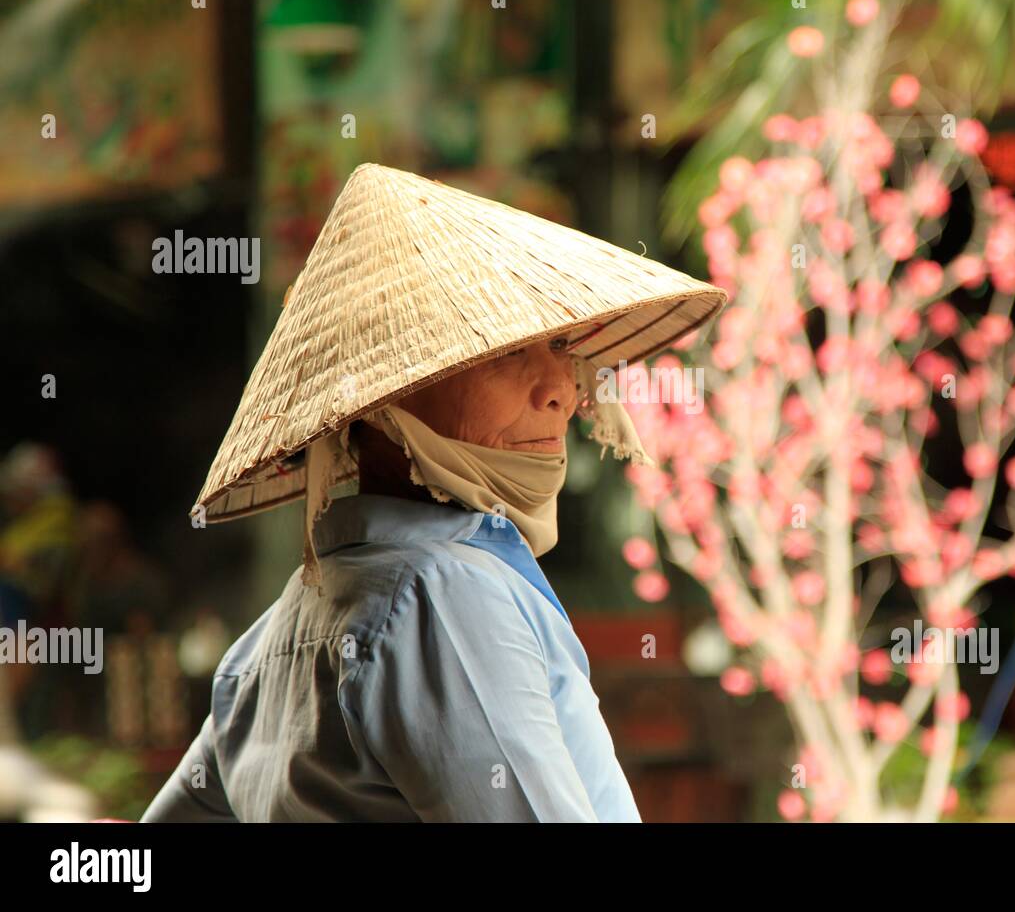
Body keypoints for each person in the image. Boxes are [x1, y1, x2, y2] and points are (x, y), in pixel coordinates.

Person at [140, 163, 725, 822]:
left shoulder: (267, 643)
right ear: (386, 395)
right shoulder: (441, 593)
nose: (562, 387)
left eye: (560, 345)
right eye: (505, 351)